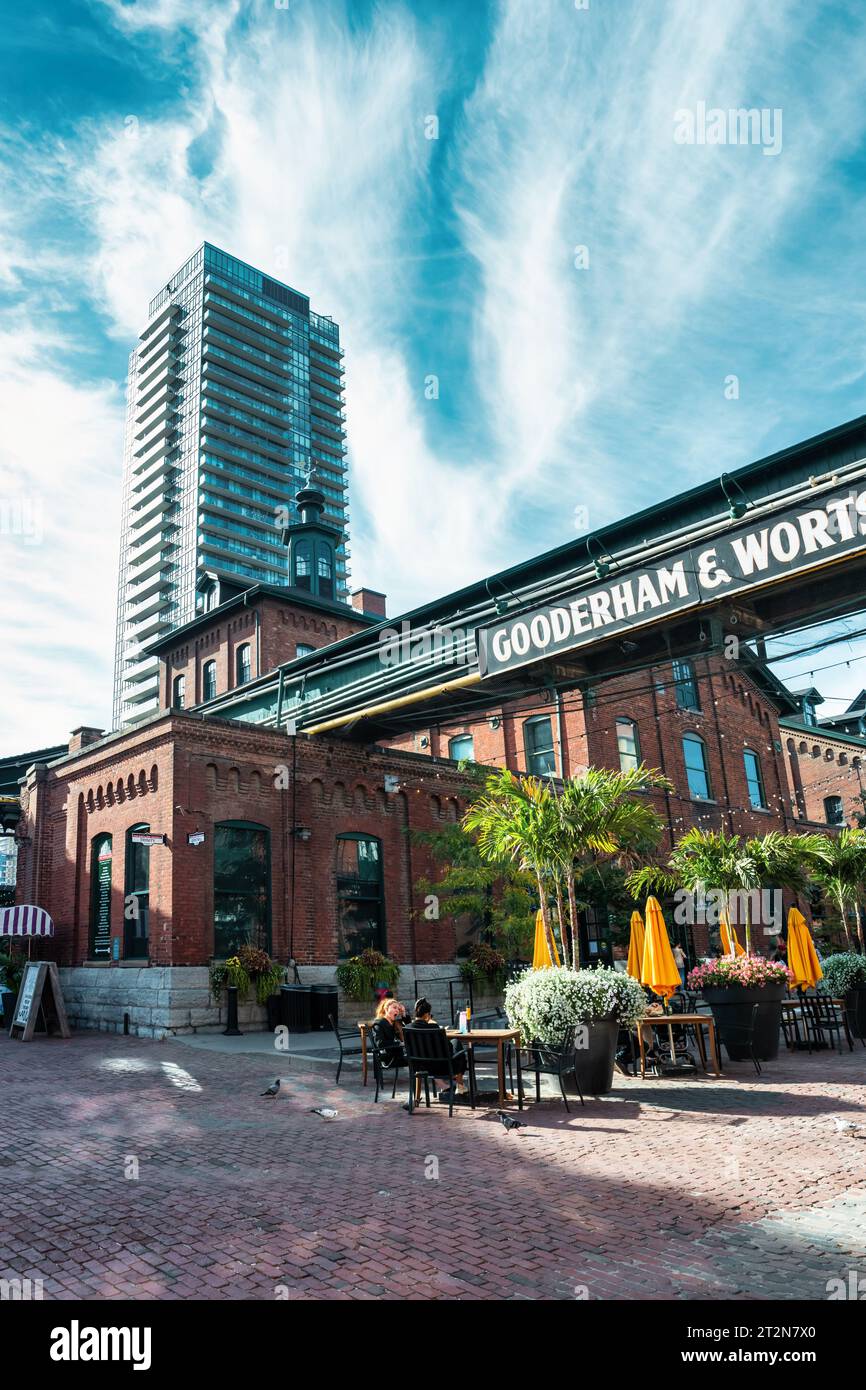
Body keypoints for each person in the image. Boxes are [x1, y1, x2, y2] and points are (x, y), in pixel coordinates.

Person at [406, 997, 469, 1102]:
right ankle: (460, 1085)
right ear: (427, 1015)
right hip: (440, 1068)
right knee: (456, 1043)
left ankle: (460, 1086)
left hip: (418, 1067)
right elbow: (447, 1050)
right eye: (430, 1015)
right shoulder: (434, 1027)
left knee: (455, 1043)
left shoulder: (408, 1028)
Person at [370, 998, 408, 1074]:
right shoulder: (379, 1023)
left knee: (419, 1056)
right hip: (389, 1058)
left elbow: (409, 1027)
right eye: (394, 1007)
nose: (397, 1010)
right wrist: (399, 1044)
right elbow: (380, 1043)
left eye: (398, 1009)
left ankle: (419, 1081)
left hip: (398, 1054)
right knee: (417, 1059)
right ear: (386, 1009)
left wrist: (403, 1013)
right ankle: (419, 1082)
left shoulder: (395, 1023)